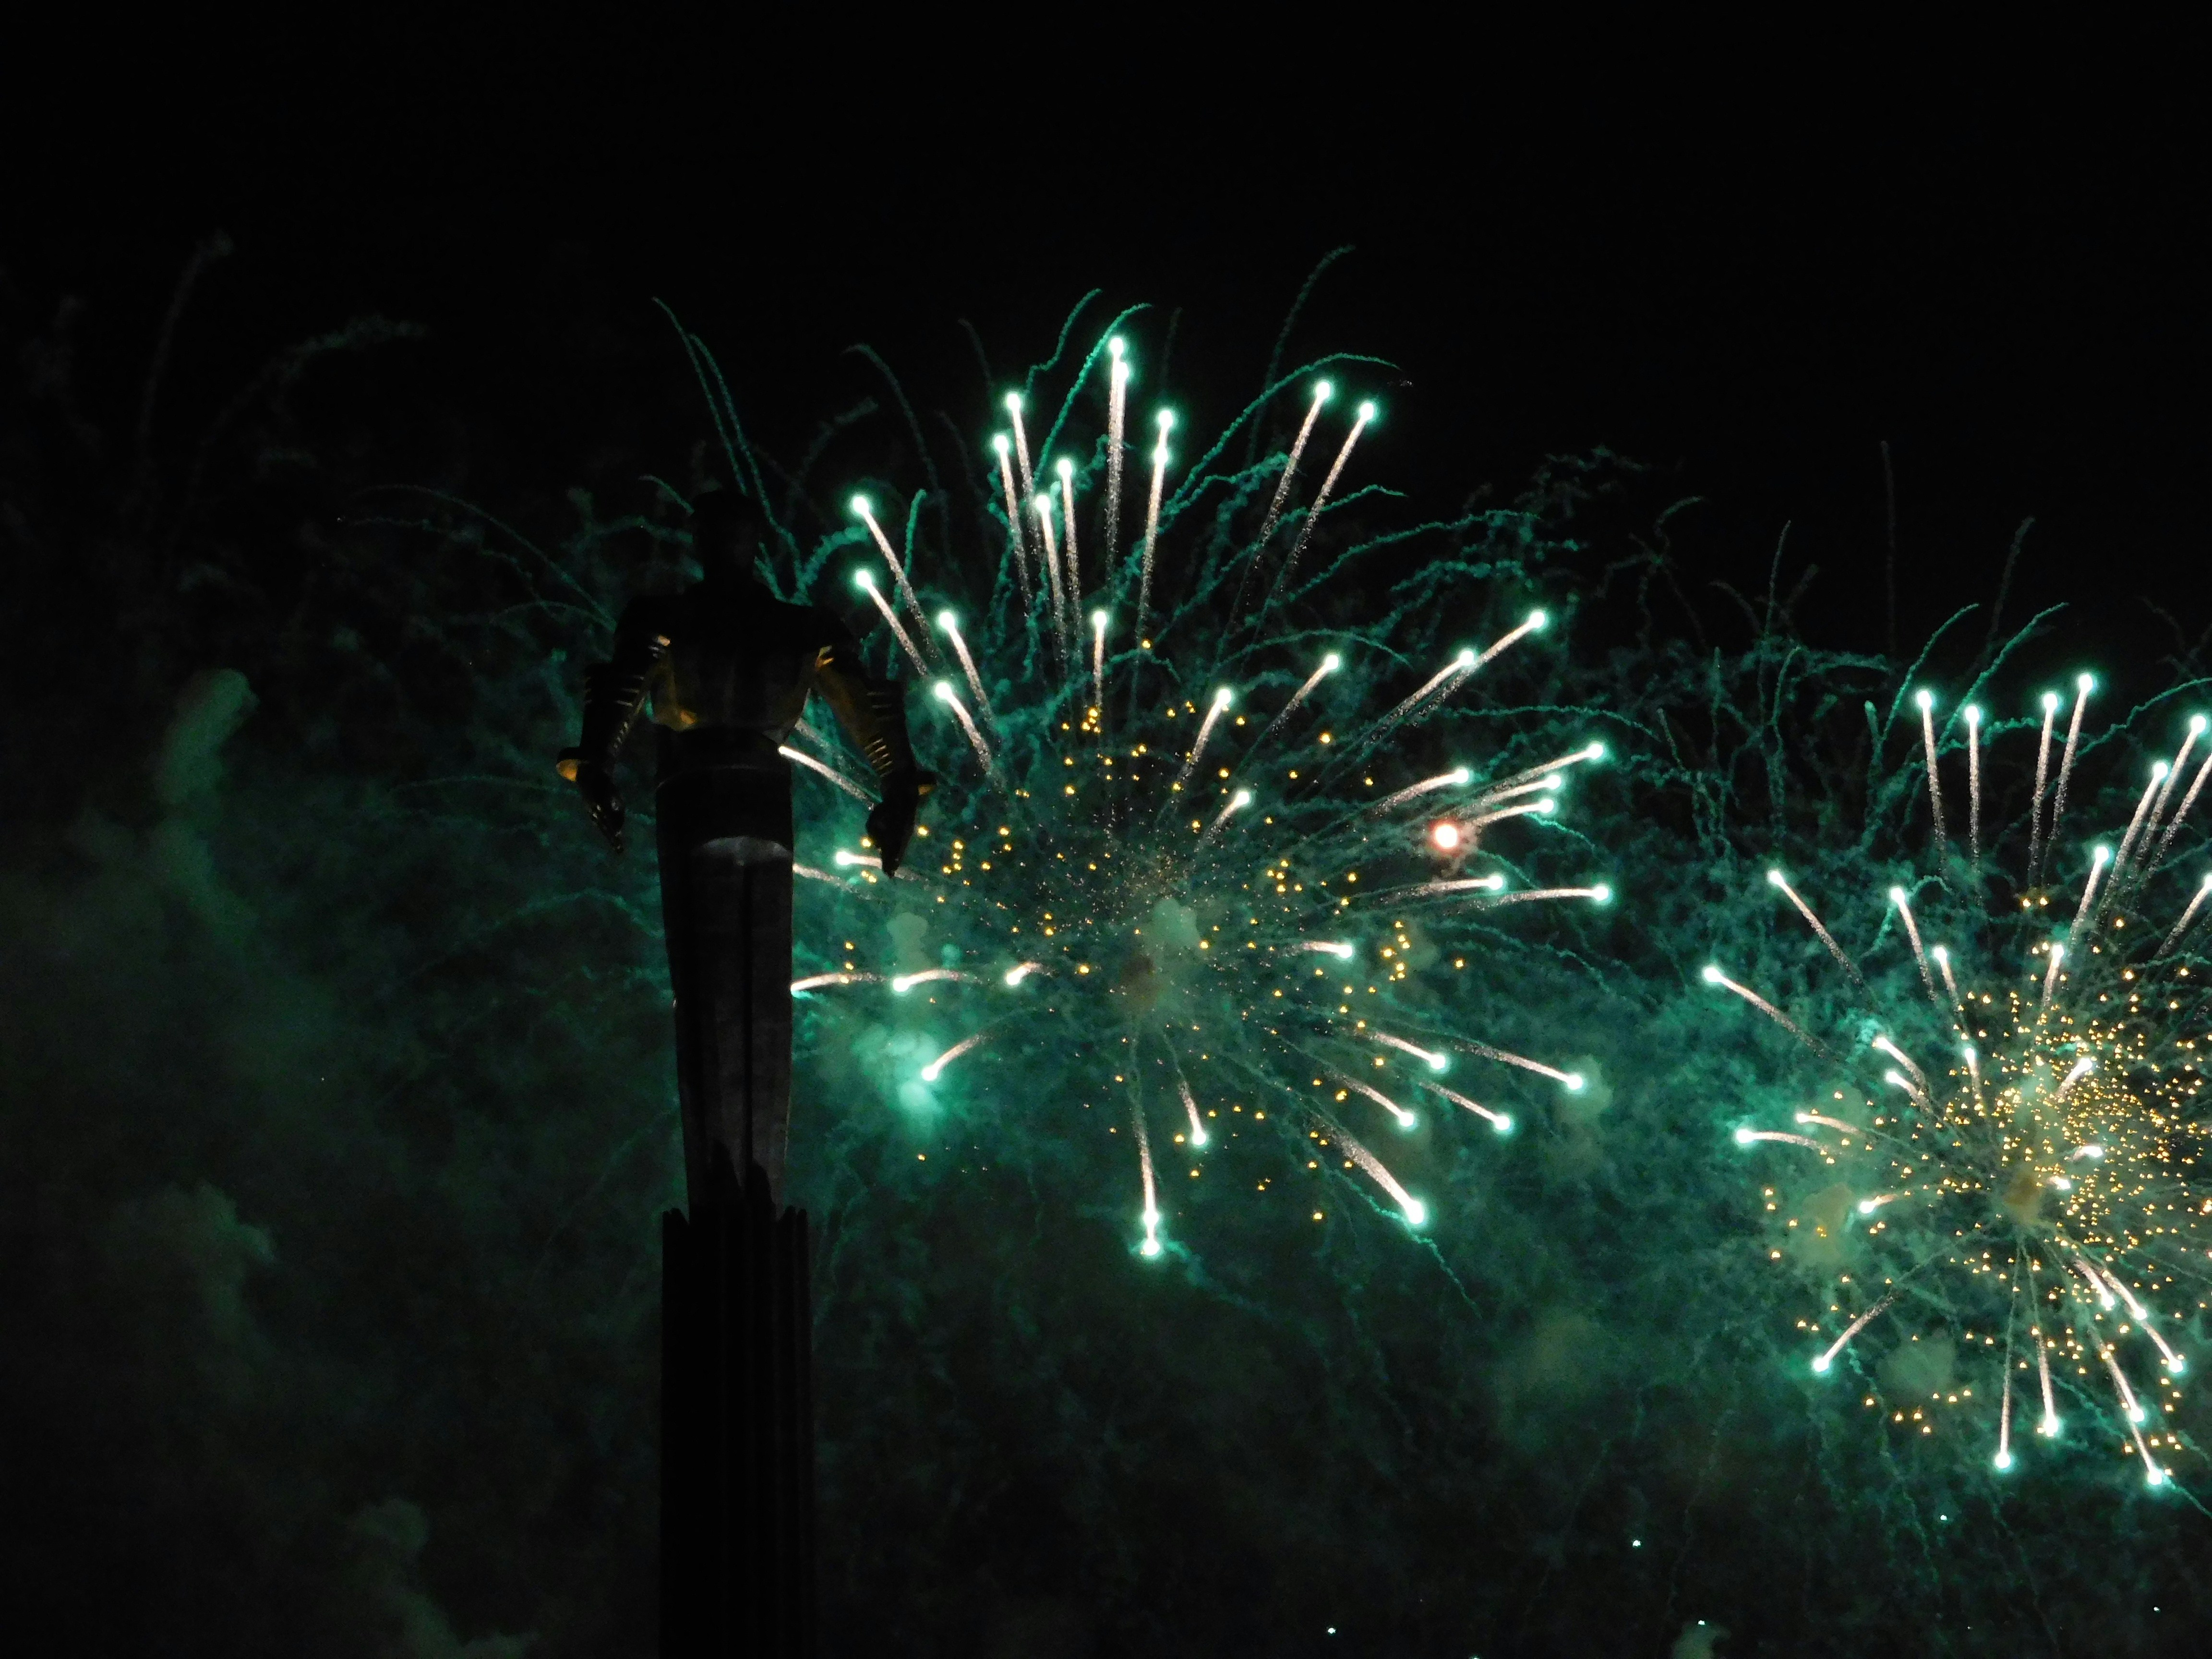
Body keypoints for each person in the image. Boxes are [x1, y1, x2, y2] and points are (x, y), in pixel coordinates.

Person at [557, 490, 933, 1206]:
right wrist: (900, 791)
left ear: (701, 542)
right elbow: (876, 721)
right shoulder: (803, 627)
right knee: (765, 1000)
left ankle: (726, 1196)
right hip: (767, 795)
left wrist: (598, 776)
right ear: (755, 545)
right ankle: (757, 1191)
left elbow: (617, 699)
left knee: (705, 996)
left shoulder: (663, 617)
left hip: (693, 792)